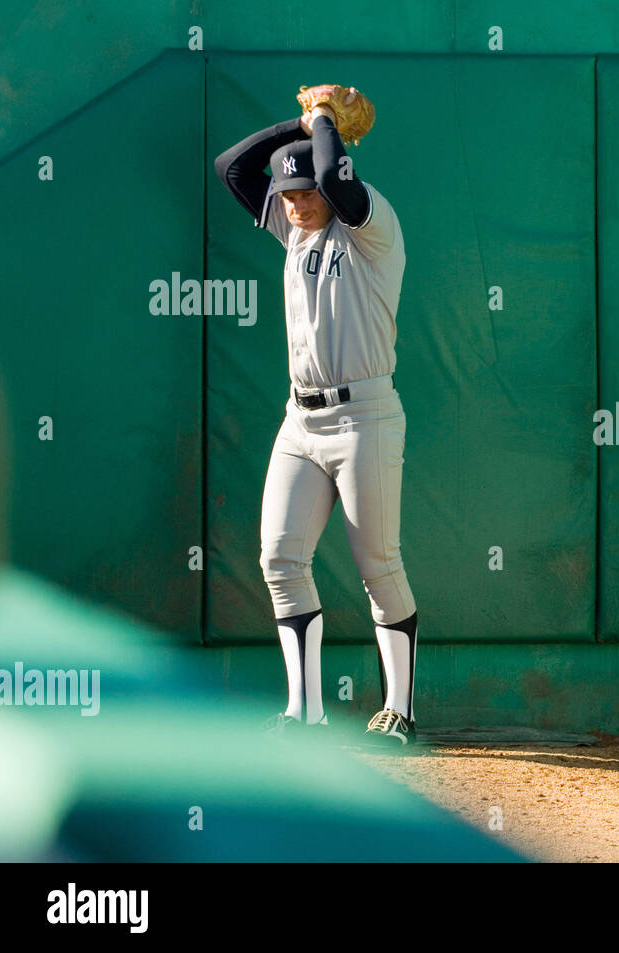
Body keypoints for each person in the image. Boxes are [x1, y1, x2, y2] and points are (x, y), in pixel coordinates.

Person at [214, 88, 418, 746]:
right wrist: (299, 124)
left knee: (378, 564)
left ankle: (400, 708)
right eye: (290, 196)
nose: (297, 204)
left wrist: (326, 122)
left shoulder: (371, 228)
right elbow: (234, 169)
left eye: (305, 194)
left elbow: (331, 175)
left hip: (367, 418)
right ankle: (305, 709)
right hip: (300, 421)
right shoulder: (292, 229)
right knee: (279, 556)